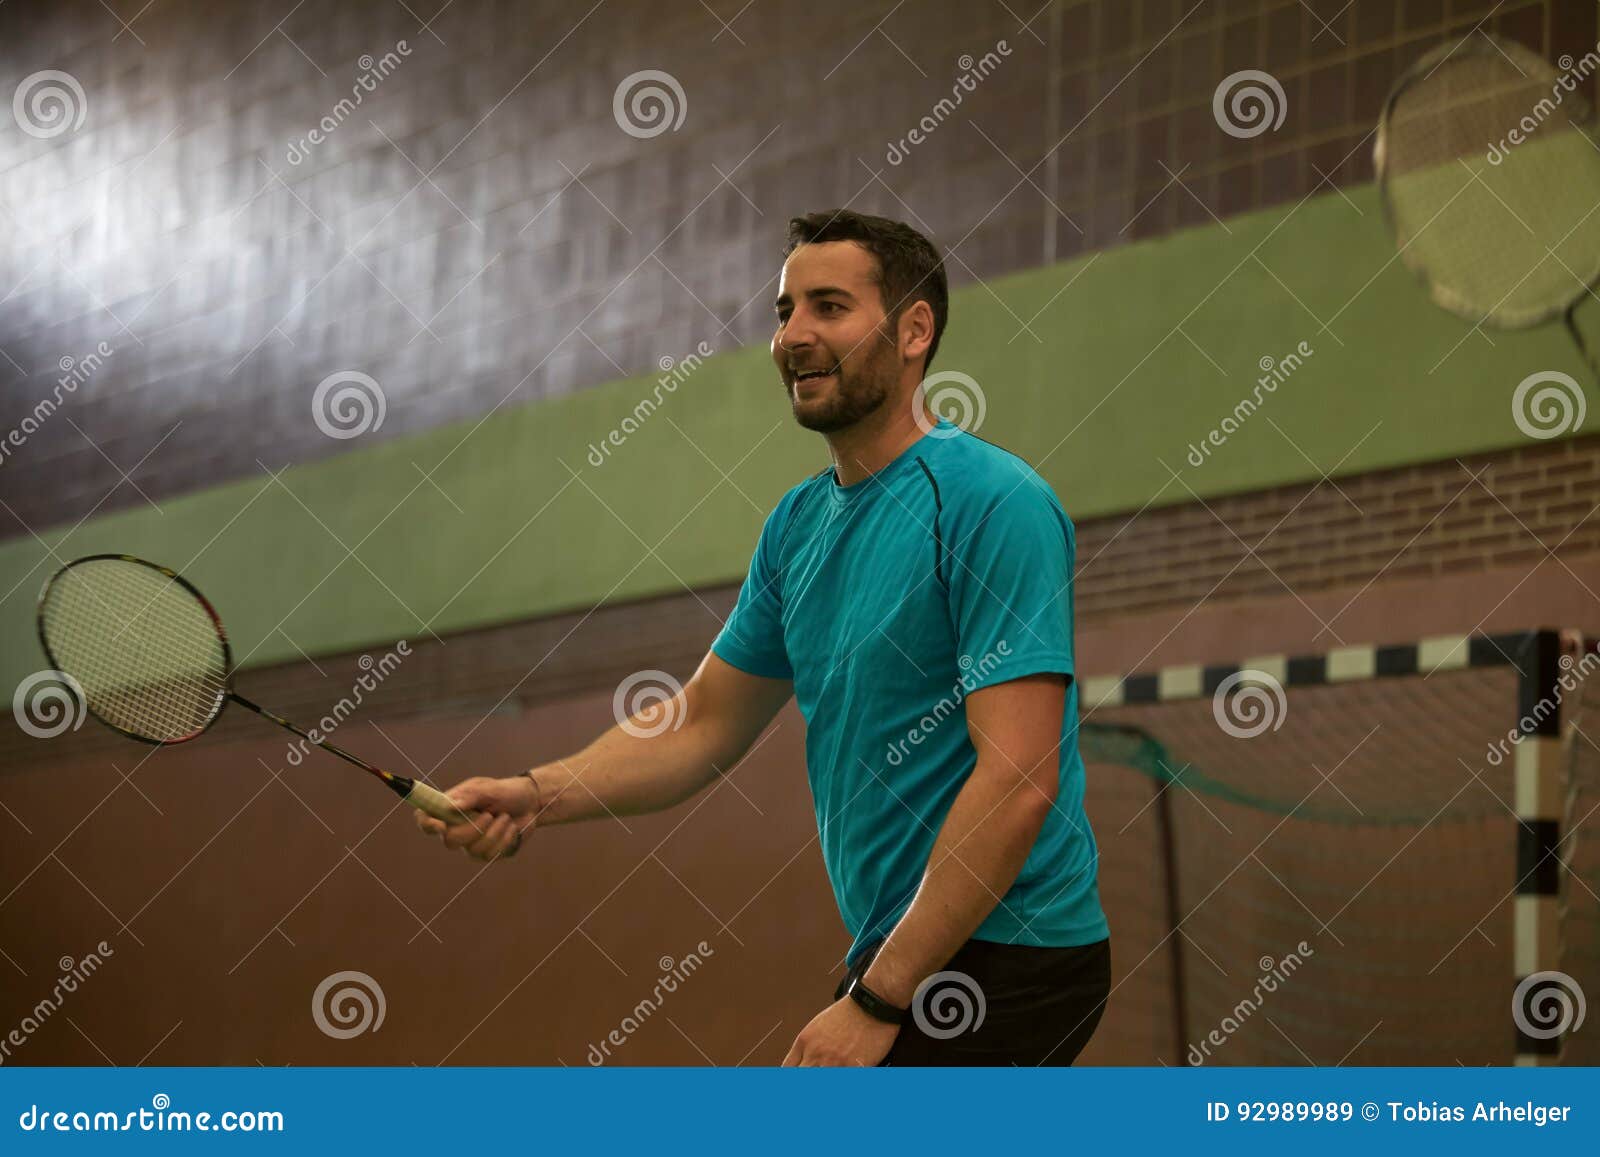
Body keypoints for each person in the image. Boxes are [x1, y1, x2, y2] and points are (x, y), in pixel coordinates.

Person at [417, 209, 1110, 1066]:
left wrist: (877, 997)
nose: (794, 335)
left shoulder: (993, 504)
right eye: (784, 311)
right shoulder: (797, 526)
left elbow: (1018, 782)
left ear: (914, 331)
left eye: (829, 307)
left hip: (1011, 955)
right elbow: (704, 719)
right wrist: (538, 792)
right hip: (907, 953)